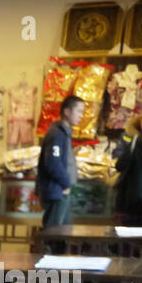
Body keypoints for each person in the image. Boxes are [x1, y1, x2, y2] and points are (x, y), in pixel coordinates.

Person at [36, 95, 84, 229]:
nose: (81, 116)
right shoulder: (57, 133)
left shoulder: (64, 133)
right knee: (53, 230)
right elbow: (53, 163)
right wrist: (66, 183)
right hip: (57, 191)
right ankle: (48, 250)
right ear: (67, 112)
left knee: (64, 230)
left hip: (61, 190)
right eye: (79, 111)